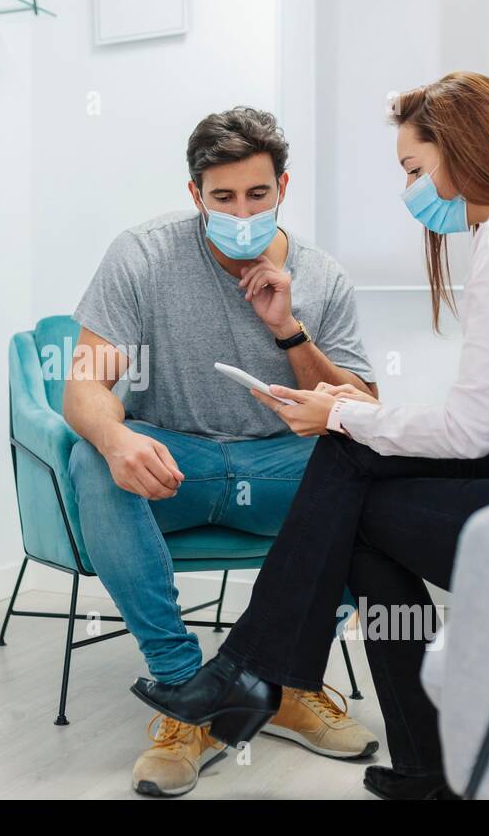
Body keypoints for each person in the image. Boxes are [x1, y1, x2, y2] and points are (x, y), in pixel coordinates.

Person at [131, 72, 489, 800]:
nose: (409, 190)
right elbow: (485, 423)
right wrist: (350, 416)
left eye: (414, 169)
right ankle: (373, 739)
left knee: (349, 473)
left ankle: (253, 677)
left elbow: (470, 429)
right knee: (352, 465)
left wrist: (338, 412)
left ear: (464, 151)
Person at [64, 106, 378, 797]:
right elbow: (84, 382)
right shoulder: (142, 255)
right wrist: (116, 436)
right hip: (179, 465)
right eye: (223, 197)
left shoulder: (322, 277)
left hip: (278, 466)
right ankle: (189, 692)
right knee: (90, 456)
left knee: (371, 471)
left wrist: (290, 331)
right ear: (195, 195)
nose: (242, 212)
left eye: (257, 194)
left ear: (283, 188)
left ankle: (286, 683)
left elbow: (363, 409)